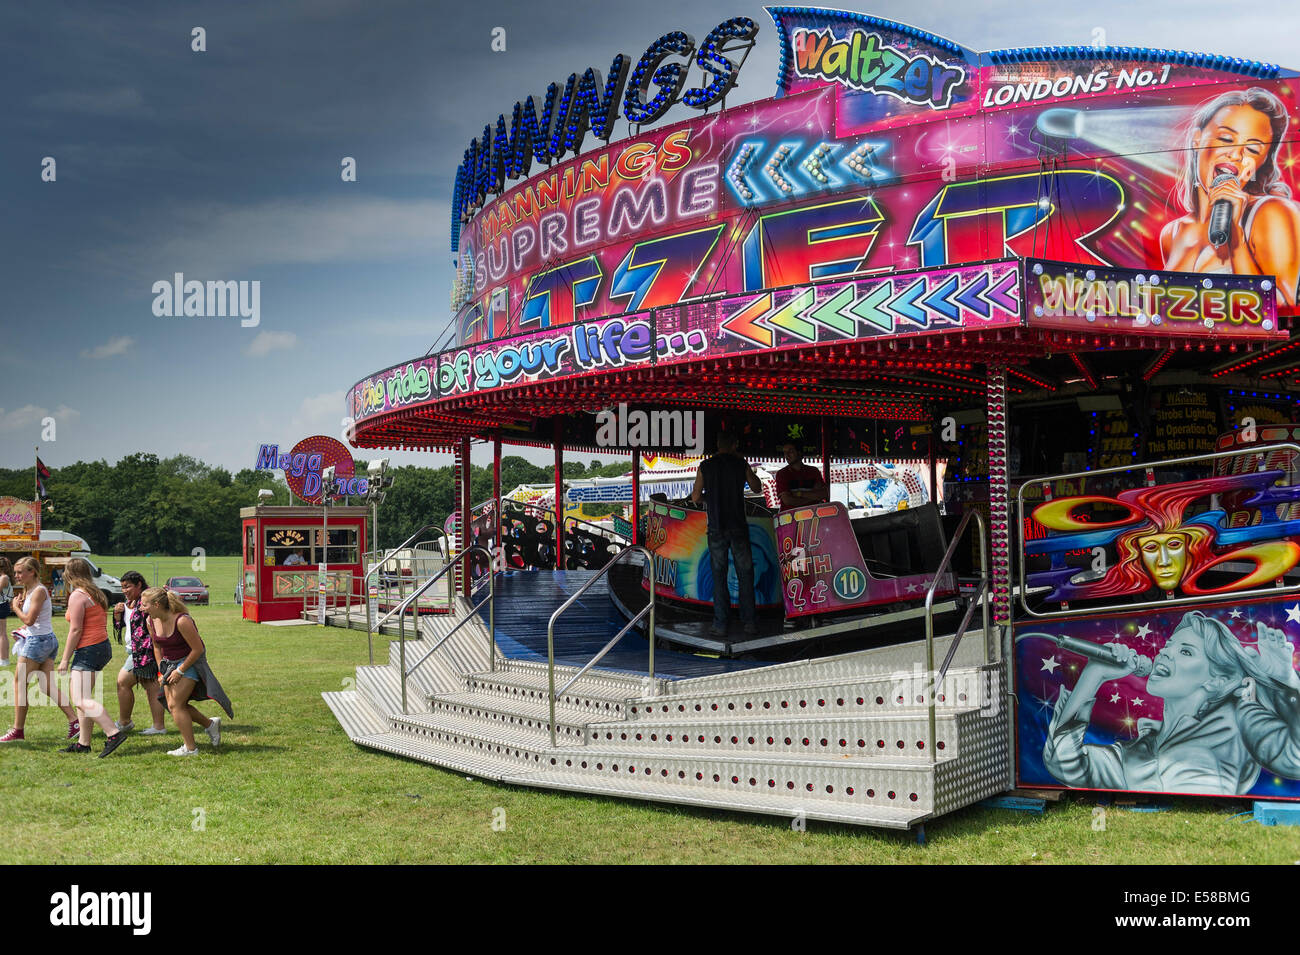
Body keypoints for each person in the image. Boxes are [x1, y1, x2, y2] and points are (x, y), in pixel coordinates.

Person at [1042, 612, 1300, 795]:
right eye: (1169, 646)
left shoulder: (1236, 722)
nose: (1165, 652)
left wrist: (1287, 679)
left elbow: (1295, 758)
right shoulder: (1139, 750)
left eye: (1185, 651)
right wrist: (1094, 673)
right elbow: (1063, 763)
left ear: (1217, 681)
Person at [1161, 86, 1300, 307]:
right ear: (1197, 139)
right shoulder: (1172, 233)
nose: (1236, 154)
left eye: (1252, 149)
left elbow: (1284, 305)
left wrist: (1236, 237)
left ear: (1261, 163)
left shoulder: (1272, 212)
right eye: (1226, 139)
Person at [143, 587, 232, 757]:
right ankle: (210, 725)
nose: (142, 608)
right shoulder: (150, 620)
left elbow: (198, 649)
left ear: (156, 604)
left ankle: (191, 749)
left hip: (190, 662)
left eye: (145, 605)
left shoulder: (182, 621)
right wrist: (161, 671)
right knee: (173, 705)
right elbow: (157, 647)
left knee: (175, 705)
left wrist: (180, 670)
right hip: (169, 664)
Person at [0, 556, 79, 743]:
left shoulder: (39, 591)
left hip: (39, 642)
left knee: (19, 684)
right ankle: (75, 722)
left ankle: (17, 731)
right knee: (46, 686)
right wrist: (22, 630)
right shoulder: (29, 589)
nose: (16, 576)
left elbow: (29, 620)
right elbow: (36, 622)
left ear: (32, 572)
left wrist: (15, 608)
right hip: (45, 640)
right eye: (15, 572)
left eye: (20, 572)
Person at [691, 431, 762, 637]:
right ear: (734, 445)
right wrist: (745, 464)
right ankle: (749, 622)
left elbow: (695, 497)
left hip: (716, 528)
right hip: (738, 526)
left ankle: (721, 624)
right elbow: (757, 488)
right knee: (745, 575)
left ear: (717, 444)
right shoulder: (740, 464)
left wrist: (709, 499)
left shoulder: (705, 466)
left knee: (719, 576)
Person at [55, 557, 128, 756]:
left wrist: (64, 659)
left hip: (88, 649)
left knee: (80, 699)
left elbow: (76, 630)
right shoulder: (95, 592)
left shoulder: (78, 595)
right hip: (100, 647)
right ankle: (83, 743)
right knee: (84, 698)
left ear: (69, 574)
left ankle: (113, 733)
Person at [114, 570, 167, 736]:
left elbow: (157, 621)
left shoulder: (147, 600)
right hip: (137, 651)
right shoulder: (130, 602)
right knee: (151, 686)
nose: (124, 590)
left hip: (145, 651)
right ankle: (157, 726)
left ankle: (125, 722)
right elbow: (128, 625)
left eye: (127, 586)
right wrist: (117, 615)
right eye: (122, 587)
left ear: (139, 585)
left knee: (123, 681)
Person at [774, 443, 828, 509]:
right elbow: (788, 501)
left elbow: (824, 494)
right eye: (785, 452)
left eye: (790, 452)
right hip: (790, 515)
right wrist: (813, 497)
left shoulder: (813, 471)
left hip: (812, 514)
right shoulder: (782, 474)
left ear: (799, 453)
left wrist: (798, 494)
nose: (786, 455)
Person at [0, 557, 13, 667]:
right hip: (2, 605)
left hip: (1, 605)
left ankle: (4, 659)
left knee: (2, 633)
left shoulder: (4, 577)